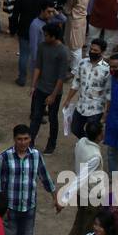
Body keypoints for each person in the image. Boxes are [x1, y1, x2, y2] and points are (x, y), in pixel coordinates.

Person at [0, 124, 58, 235]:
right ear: (14, 139)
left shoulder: (36, 155)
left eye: (26, 138)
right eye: (19, 139)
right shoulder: (4, 157)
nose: (23, 142)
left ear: (30, 139)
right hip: (10, 209)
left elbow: (45, 178)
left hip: (29, 207)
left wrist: (55, 198)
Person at [29, 22, 73, 153]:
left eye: (46, 35)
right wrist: (33, 85)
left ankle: (51, 144)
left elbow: (61, 77)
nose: (44, 38)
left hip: (54, 91)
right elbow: (38, 67)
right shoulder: (42, 47)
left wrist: (53, 95)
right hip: (41, 89)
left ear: (54, 37)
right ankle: (30, 142)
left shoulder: (63, 52)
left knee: (53, 119)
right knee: (36, 116)